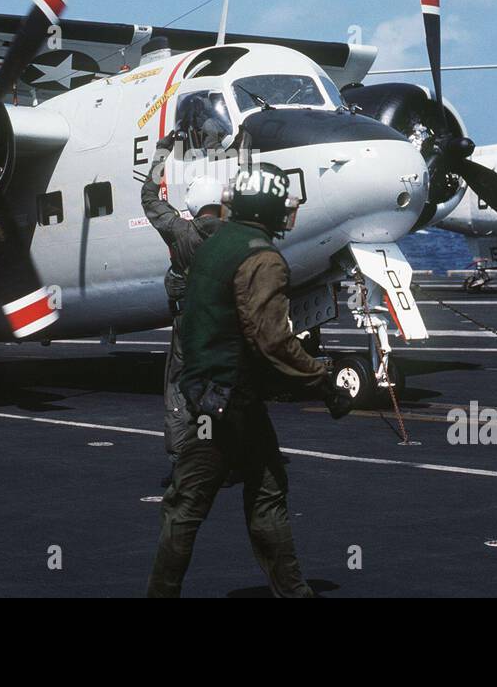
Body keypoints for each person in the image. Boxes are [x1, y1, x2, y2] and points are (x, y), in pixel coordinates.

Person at [146, 162, 353, 598]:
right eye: (284, 204)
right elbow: (272, 340)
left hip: (205, 390)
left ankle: (294, 592)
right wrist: (324, 381)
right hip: (227, 400)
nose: (289, 212)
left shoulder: (214, 241)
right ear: (269, 206)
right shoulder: (262, 257)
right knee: (190, 505)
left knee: (265, 487)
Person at [141, 133, 224, 477]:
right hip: (221, 327)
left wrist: (162, 152)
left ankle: (181, 459)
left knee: (179, 390)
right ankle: (210, 453)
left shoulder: (179, 232)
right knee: (212, 392)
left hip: (187, 325)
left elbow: (149, 197)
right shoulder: (234, 236)